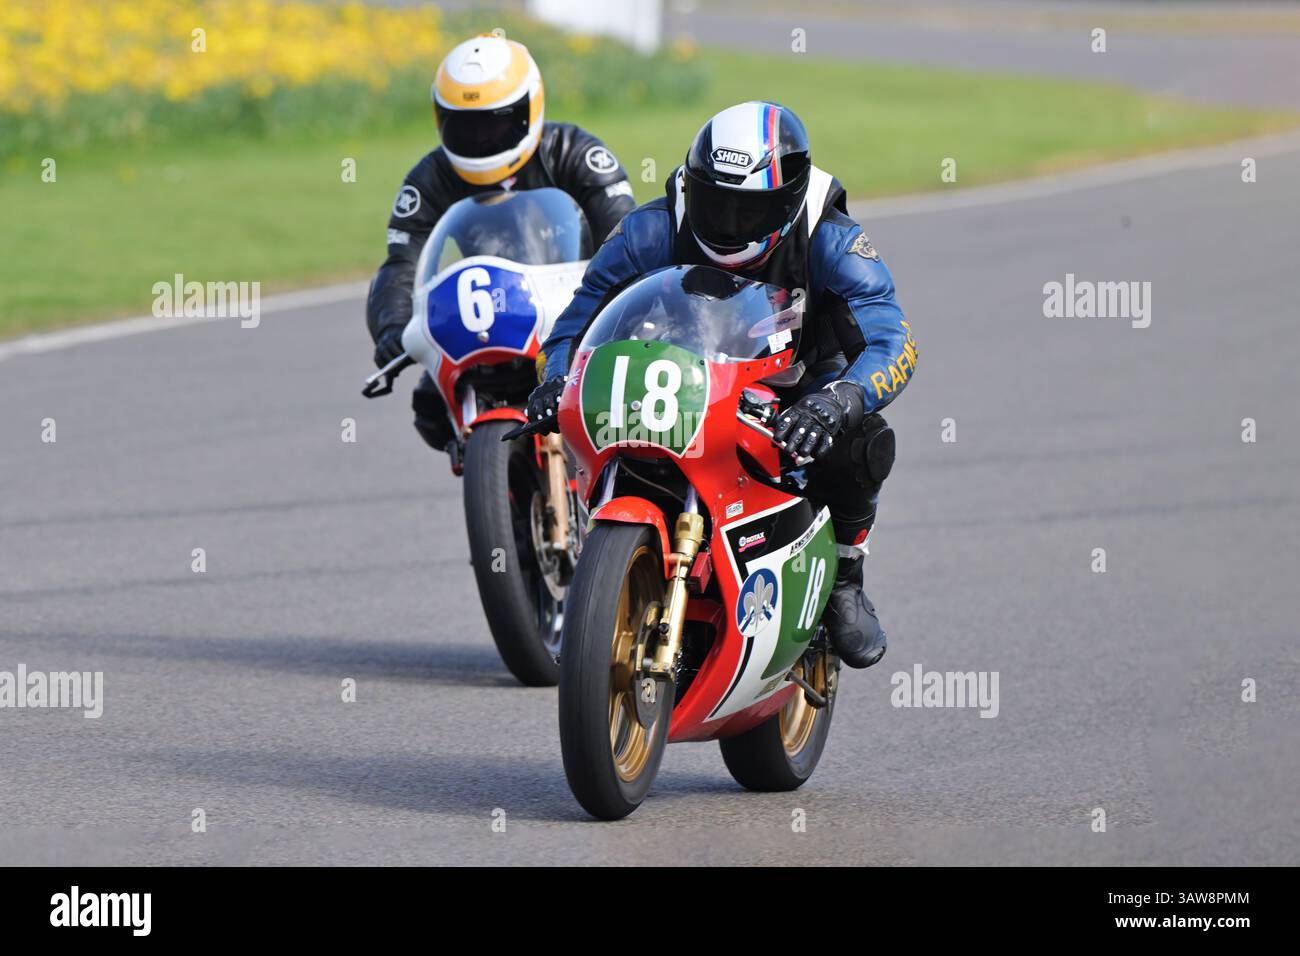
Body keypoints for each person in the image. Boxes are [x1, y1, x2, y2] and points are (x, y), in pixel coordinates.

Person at [522, 101, 918, 669]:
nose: (729, 224)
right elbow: (577, 318)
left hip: (798, 381)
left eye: (747, 210)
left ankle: (845, 579)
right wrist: (554, 377)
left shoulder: (830, 238)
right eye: (717, 203)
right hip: (681, 371)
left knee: (862, 441)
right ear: (693, 184)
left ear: (787, 200)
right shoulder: (651, 227)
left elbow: (894, 339)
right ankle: (609, 574)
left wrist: (840, 400)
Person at [366, 33, 636, 454]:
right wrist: (391, 327)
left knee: (624, 396)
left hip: (574, 314)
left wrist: (616, 311)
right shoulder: (429, 179)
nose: (481, 139)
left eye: (495, 123)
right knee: (430, 411)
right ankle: (482, 461)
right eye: (466, 124)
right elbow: (402, 262)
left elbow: (625, 238)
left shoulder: (576, 152)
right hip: (486, 319)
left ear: (531, 109)